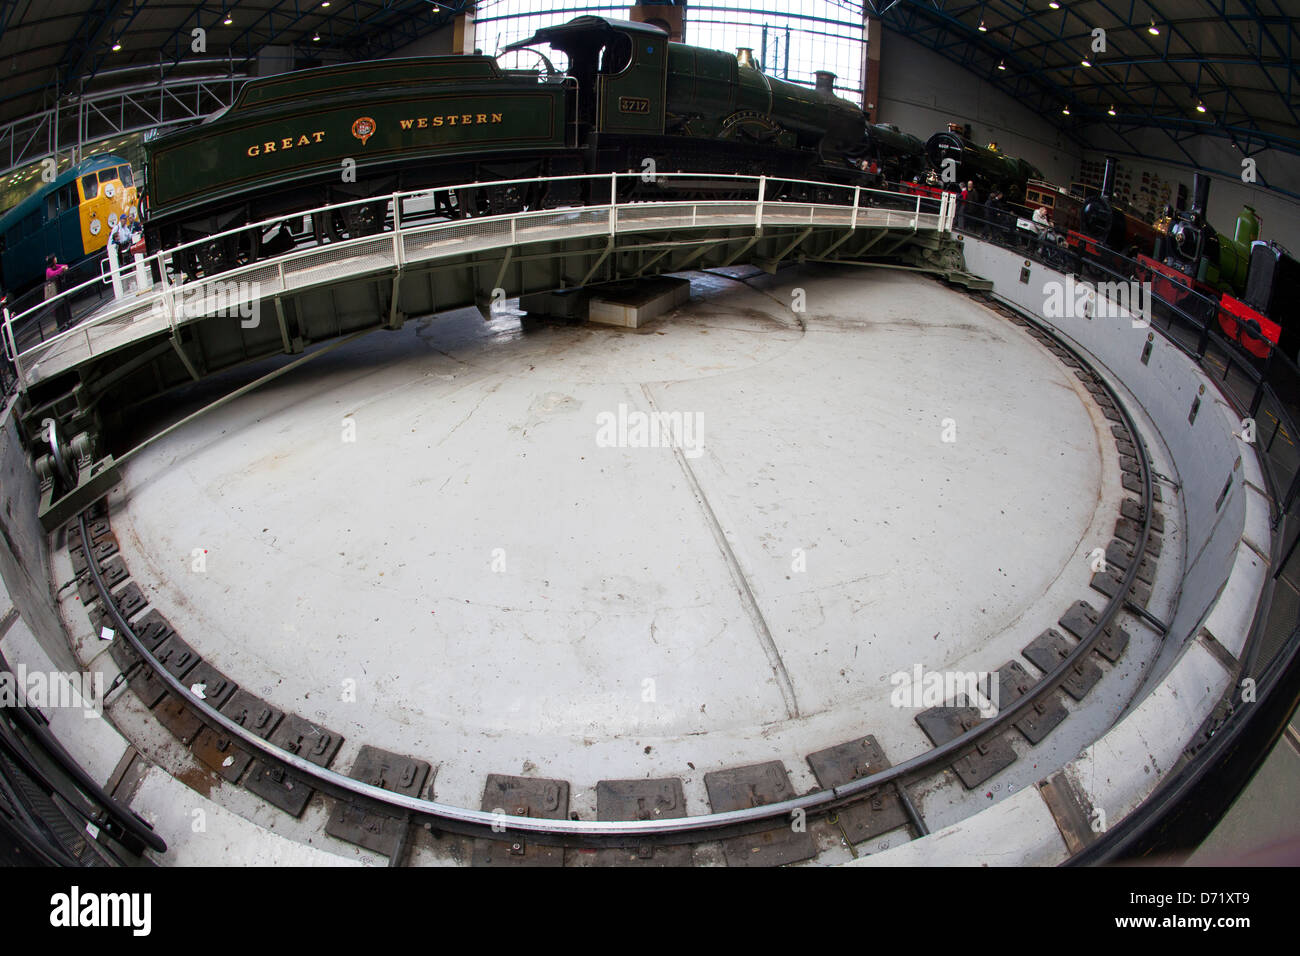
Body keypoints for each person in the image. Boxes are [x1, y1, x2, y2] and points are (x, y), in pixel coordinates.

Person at [45, 254, 72, 331]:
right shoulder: (48, 270)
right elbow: (52, 274)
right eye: (55, 258)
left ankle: (67, 321)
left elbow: (64, 265)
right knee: (58, 308)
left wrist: (63, 267)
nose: (56, 258)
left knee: (63, 305)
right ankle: (61, 325)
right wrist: (62, 269)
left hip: (59, 290)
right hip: (54, 292)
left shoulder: (56, 266)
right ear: (52, 260)